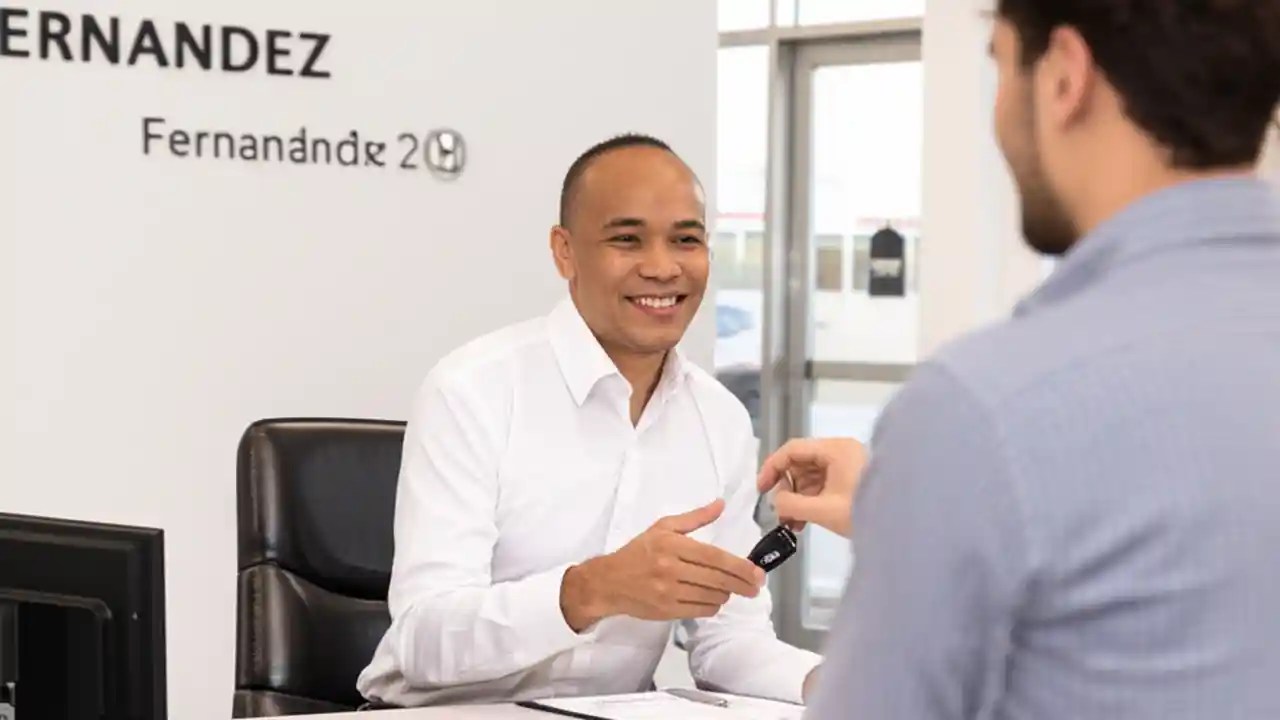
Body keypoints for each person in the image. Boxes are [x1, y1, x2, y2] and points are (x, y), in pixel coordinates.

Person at [757, 2, 1280, 719]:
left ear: (1065, 75)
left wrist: (951, 488)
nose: (999, 116)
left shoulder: (984, 410)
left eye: (1001, 67)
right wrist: (920, 512)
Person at [357, 134, 820, 707]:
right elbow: (423, 642)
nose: (662, 267)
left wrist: (830, 682)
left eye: (686, 240)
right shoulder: (472, 390)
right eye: (627, 240)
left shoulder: (719, 419)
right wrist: (590, 590)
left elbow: (728, 639)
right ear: (565, 251)